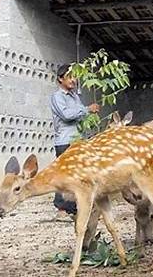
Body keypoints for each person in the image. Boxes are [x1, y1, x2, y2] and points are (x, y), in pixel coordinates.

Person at [50, 64, 100, 218]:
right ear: (60, 79)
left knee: (78, 174)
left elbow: (80, 116)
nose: (74, 80)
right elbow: (67, 115)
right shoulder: (57, 97)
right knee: (64, 174)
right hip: (65, 140)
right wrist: (87, 110)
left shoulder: (75, 97)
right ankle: (62, 209)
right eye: (70, 77)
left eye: (75, 77)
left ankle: (76, 207)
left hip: (78, 139)